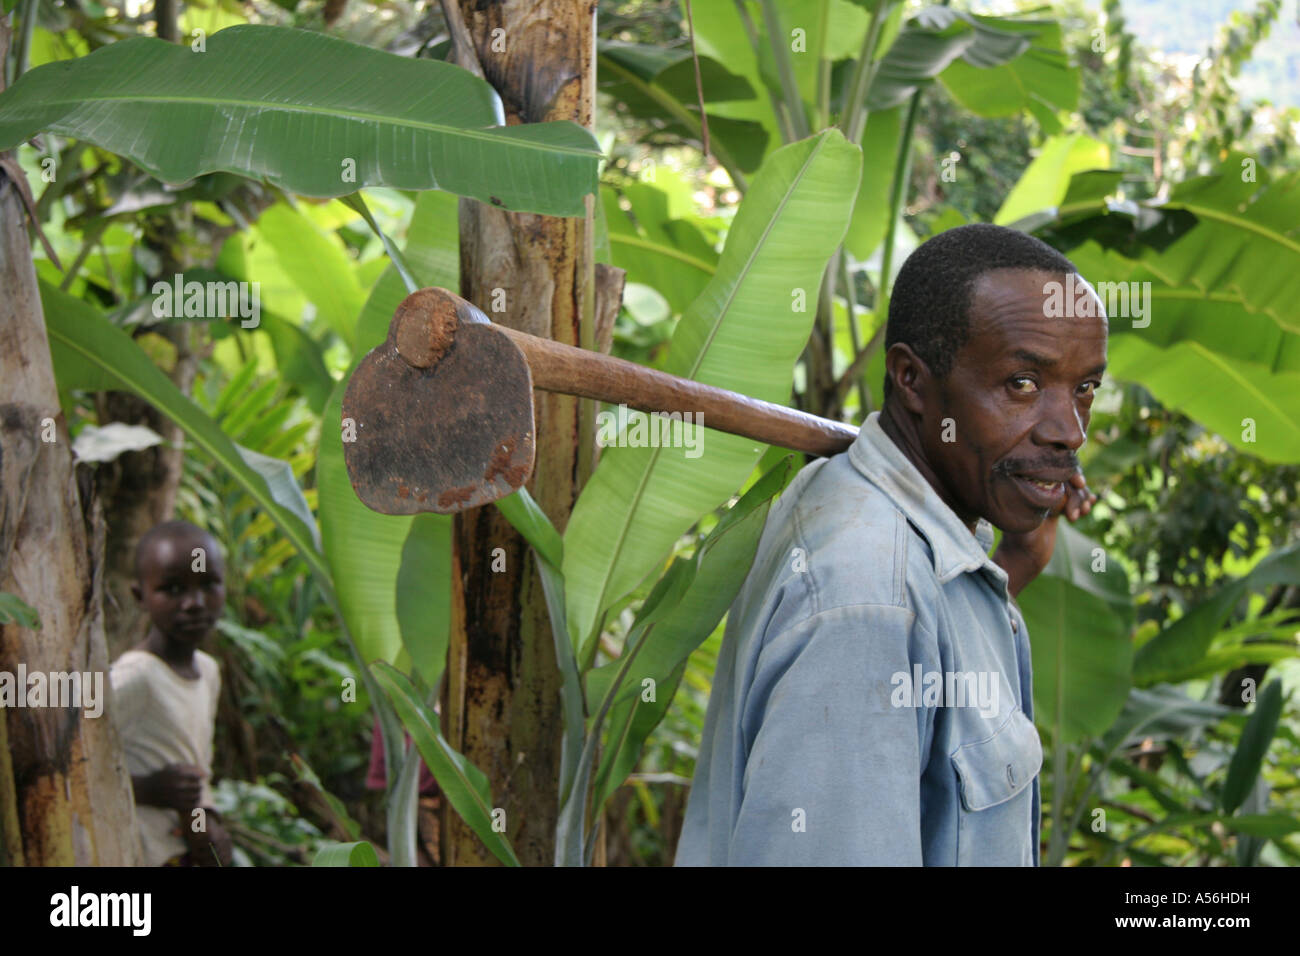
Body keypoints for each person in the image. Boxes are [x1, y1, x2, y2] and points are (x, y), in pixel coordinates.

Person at [675, 224, 1107, 866]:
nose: (1069, 431)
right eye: (1022, 383)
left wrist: (1015, 564)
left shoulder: (888, 526)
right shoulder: (867, 595)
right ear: (911, 378)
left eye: (1085, 388)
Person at [111, 520, 233, 866]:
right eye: (173, 588)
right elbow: (78, 763)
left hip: (182, 853)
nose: (195, 603)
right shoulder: (136, 677)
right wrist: (147, 788)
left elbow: (197, 768)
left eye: (208, 585)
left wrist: (206, 820)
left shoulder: (208, 671)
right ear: (141, 597)